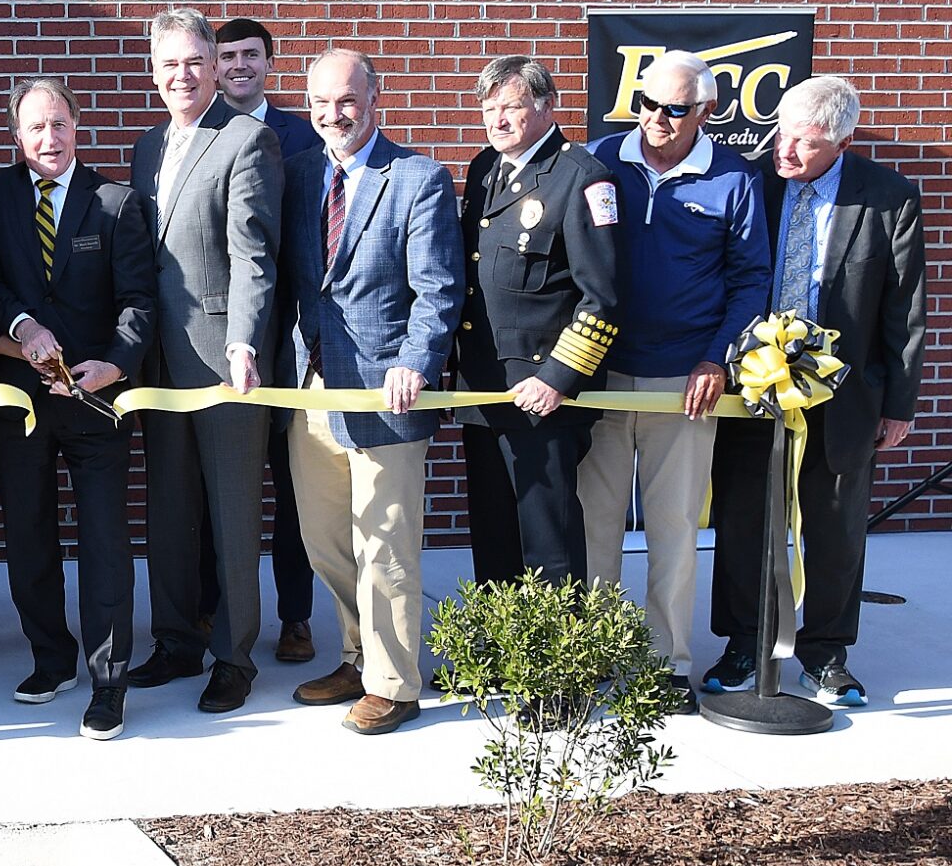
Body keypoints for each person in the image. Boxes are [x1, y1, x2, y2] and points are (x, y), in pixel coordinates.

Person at [706, 76, 925, 708]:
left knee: (835, 525)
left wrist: (899, 405)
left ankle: (826, 653)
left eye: (807, 143)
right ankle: (744, 641)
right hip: (754, 386)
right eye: (784, 134)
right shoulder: (748, 180)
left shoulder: (887, 198)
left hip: (847, 394)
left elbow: (904, 309)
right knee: (745, 518)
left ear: (843, 141)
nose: (788, 152)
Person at [579, 52, 769, 713]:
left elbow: (751, 279)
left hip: (686, 384)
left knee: (673, 532)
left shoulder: (734, 180)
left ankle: (665, 665)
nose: (659, 119)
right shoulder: (599, 160)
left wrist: (718, 358)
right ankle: (593, 654)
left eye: (676, 108)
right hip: (600, 376)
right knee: (593, 528)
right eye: (649, 104)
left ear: (706, 112)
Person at [282, 51, 463, 735]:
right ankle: (358, 656)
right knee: (326, 538)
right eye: (323, 103)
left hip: (389, 394)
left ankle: (396, 681)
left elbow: (439, 289)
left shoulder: (417, 178)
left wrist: (416, 360)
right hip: (315, 387)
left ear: (375, 99)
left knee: (385, 543)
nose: (336, 114)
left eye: (348, 100)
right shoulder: (300, 176)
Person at [0, 78, 155, 740]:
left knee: (105, 540)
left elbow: (139, 300)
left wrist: (114, 363)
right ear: (17, 137)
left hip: (95, 400)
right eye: (34, 128)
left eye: (59, 124)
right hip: (20, 399)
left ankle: (109, 681)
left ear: (78, 125)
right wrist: (22, 328)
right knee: (28, 532)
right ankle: (50, 659)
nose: (49, 139)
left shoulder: (116, 201)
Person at [125, 6, 283, 714]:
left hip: (224, 360)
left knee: (231, 509)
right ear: (154, 73)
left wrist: (244, 341)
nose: (182, 75)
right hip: (157, 360)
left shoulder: (247, 140)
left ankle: (235, 655)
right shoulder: (147, 146)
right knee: (169, 507)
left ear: (216, 66)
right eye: (169, 64)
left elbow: (253, 256)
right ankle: (175, 640)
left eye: (194, 61)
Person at [454, 55, 622, 589]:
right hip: (484, 387)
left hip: (541, 394)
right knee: (494, 534)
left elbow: (603, 299)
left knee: (548, 544)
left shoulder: (582, 178)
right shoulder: (485, 168)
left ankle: (554, 670)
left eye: (511, 107)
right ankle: (498, 662)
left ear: (546, 107)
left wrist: (557, 378)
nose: (497, 119)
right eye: (488, 108)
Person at [217, 16, 322, 666]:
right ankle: (211, 609)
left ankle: (295, 617)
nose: (237, 66)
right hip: (210, 342)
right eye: (226, 56)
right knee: (216, 489)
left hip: (287, 344)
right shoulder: (193, 136)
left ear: (268, 63)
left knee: (292, 491)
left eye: (250, 55)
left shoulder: (304, 139)